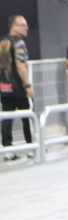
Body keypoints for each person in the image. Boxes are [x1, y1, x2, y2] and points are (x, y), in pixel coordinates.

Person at [1, 15, 33, 159]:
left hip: (5, 87)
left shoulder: (3, 42)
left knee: (7, 118)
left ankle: (8, 150)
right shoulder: (19, 43)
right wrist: (28, 86)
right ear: (14, 26)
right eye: (23, 25)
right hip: (19, 88)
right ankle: (31, 146)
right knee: (28, 116)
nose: (26, 28)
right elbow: (21, 66)